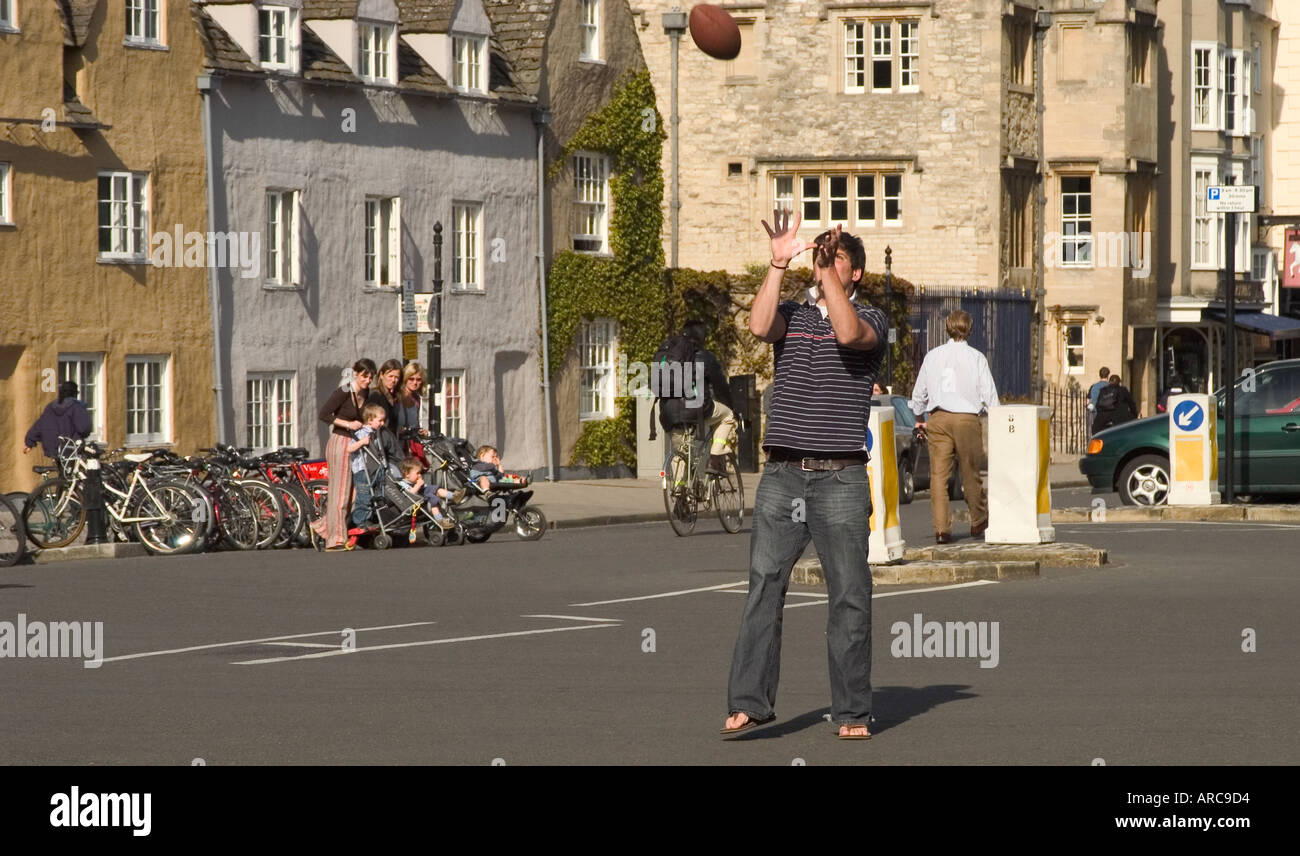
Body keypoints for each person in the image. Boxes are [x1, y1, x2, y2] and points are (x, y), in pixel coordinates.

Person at [722, 213, 886, 741]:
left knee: (849, 597)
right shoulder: (793, 313)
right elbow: (757, 326)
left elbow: (846, 331)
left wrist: (828, 276)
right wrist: (777, 263)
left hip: (840, 478)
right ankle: (750, 702)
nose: (823, 262)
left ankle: (853, 712)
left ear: (854, 273)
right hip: (783, 474)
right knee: (764, 586)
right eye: (822, 256)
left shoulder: (873, 319)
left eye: (835, 257)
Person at [909, 309, 999, 544]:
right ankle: (978, 520)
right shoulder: (976, 357)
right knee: (970, 471)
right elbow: (989, 395)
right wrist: (998, 416)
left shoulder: (933, 356)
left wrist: (919, 417)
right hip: (966, 418)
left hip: (938, 417)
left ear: (947, 328)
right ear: (969, 329)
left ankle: (941, 529)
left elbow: (919, 394)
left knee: (938, 476)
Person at [313, 358, 375, 551]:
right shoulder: (344, 391)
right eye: (365, 376)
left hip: (355, 442)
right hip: (340, 441)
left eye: (371, 377)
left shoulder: (365, 392)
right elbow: (324, 414)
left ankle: (321, 526)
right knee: (340, 492)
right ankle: (335, 540)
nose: (368, 380)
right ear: (355, 373)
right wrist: (348, 424)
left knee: (353, 493)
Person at [679, 320, 736, 474]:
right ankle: (715, 456)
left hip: (672, 410)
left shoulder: (674, 355)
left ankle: (678, 490)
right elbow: (721, 386)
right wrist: (732, 406)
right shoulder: (705, 356)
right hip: (698, 408)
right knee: (728, 415)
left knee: (682, 449)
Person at [347, 403, 389, 544]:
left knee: (375, 496)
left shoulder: (377, 434)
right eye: (380, 420)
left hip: (374, 469)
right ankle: (360, 521)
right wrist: (361, 443)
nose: (382, 423)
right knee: (363, 496)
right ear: (370, 420)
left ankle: (370, 520)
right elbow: (349, 448)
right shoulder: (361, 433)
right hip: (362, 469)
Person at [24, 380, 92, 464]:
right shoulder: (76, 407)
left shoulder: (50, 407)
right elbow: (84, 428)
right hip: (71, 447)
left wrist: (29, 442)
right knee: (77, 474)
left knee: (62, 473)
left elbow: (39, 425)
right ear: (75, 393)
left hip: (53, 449)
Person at [395, 457, 457, 530]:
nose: (420, 475)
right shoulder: (403, 483)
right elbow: (410, 494)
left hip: (424, 500)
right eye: (417, 473)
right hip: (414, 505)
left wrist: (428, 488)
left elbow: (428, 489)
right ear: (407, 474)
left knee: (436, 489)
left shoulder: (415, 481)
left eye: (420, 473)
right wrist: (418, 485)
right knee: (433, 501)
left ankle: (455, 496)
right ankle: (440, 520)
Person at [1087, 366, 1110, 432]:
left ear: (1099, 375)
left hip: (1096, 415)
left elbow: (1088, 401)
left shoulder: (1093, 387)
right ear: (1108, 375)